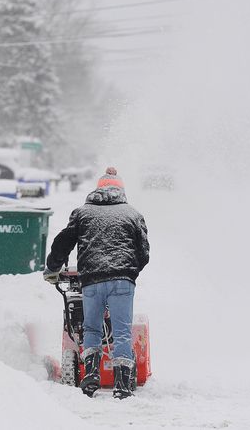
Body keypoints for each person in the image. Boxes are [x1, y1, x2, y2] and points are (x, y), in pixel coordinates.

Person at [43, 167, 149, 399]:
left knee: (91, 328)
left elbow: (62, 243)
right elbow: (144, 253)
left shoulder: (83, 213)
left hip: (91, 281)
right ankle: (122, 385)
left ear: (97, 190)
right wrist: (130, 273)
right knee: (121, 332)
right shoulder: (132, 214)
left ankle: (90, 378)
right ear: (121, 191)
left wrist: (52, 268)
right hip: (122, 281)